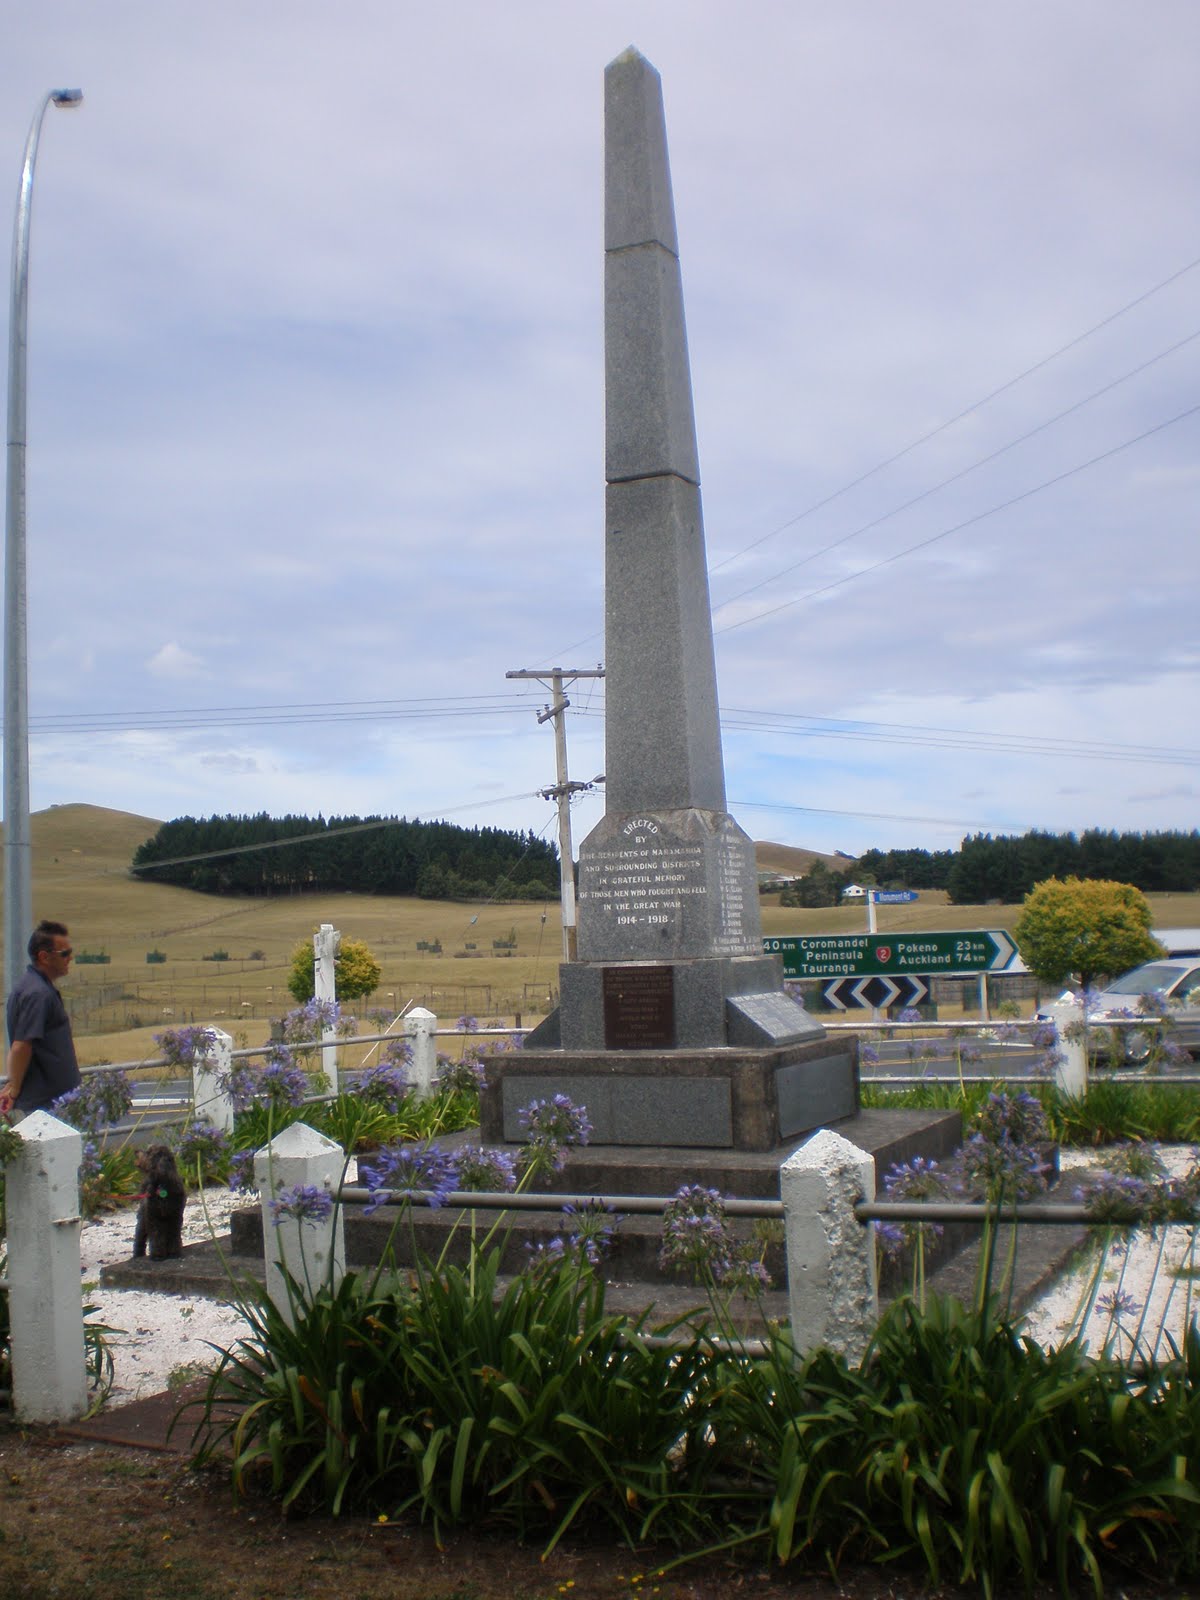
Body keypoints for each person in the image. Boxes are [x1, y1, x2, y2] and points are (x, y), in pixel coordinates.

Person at [2, 919, 82, 1117]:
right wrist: (14, 1089)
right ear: (44, 957)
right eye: (64, 953)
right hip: (43, 1106)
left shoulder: (36, 988)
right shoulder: (38, 994)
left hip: (51, 1102)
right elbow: (21, 1045)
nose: (70, 958)